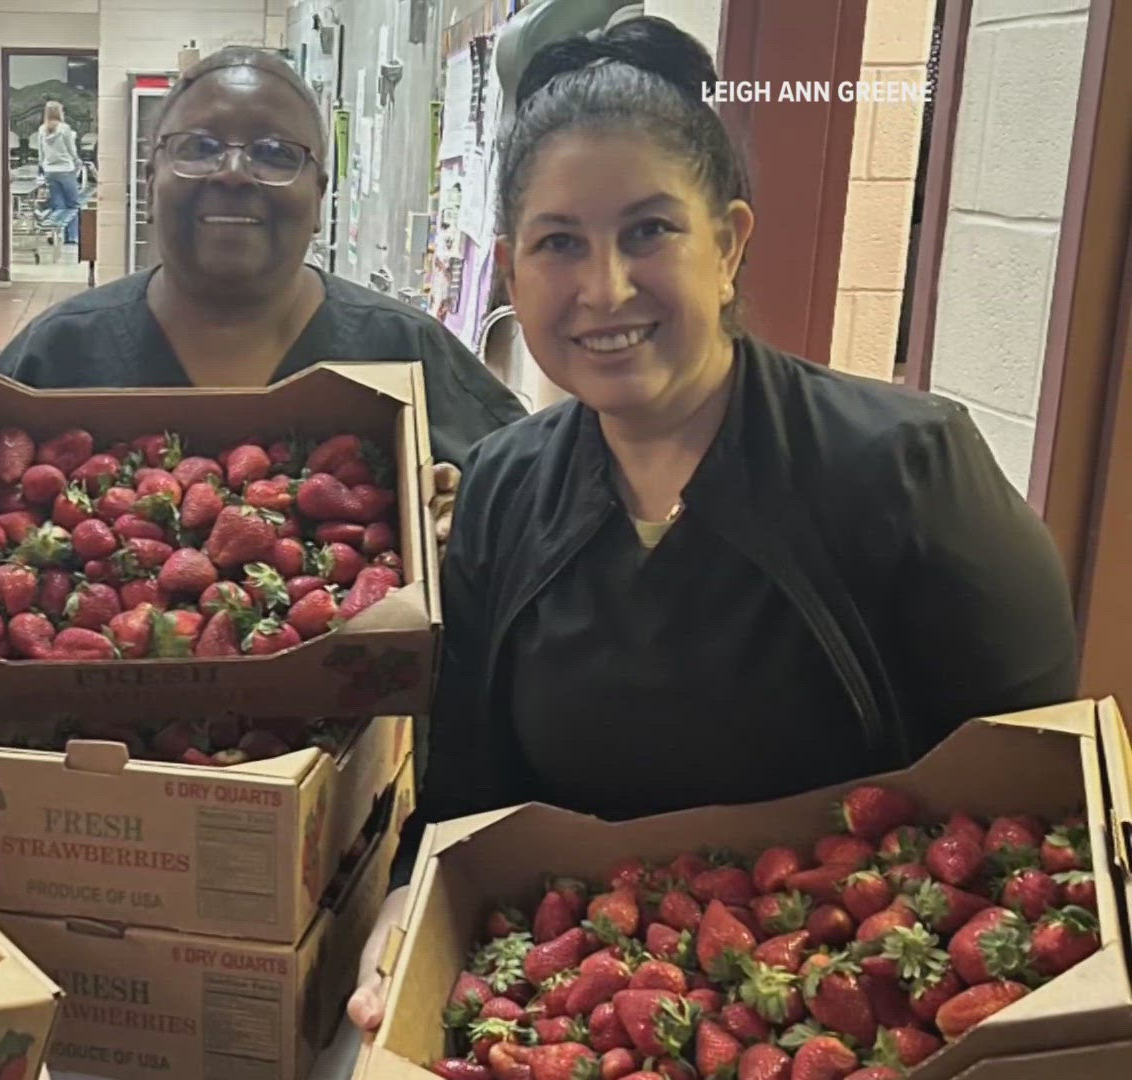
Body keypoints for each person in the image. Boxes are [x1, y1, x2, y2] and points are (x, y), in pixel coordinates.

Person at [349, 16, 1078, 1028]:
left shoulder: (909, 471)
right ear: (511, 273)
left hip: (869, 1022)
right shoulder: (505, 491)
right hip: (598, 1017)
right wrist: (408, 908)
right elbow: (469, 807)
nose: (605, 287)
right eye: (560, 243)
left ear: (729, 243)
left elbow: (1034, 826)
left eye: (650, 231)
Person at [0, 46, 527, 470]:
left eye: (275, 153)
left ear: (318, 197)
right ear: (149, 183)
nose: (233, 174)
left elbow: (534, 512)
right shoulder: (57, 354)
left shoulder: (407, 354)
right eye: (198, 148)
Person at [36, 100, 84, 247]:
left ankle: (54, 234)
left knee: (58, 205)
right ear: (59, 112)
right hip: (66, 170)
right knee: (73, 205)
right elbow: (71, 149)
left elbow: (41, 153)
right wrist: (77, 161)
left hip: (50, 171)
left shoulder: (42, 130)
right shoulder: (64, 128)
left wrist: (43, 167)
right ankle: (72, 236)